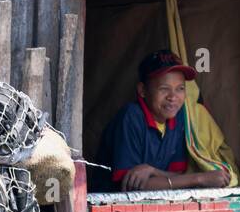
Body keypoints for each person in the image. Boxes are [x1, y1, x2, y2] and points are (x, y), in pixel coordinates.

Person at [99, 49, 231, 192]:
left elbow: (177, 175)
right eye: (164, 89)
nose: (173, 97)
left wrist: (152, 171)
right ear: (142, 90)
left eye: (180, 89)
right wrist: (199, 178)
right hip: (110, 207)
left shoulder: (178, 117)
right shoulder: (131, 117)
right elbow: (132, 184)